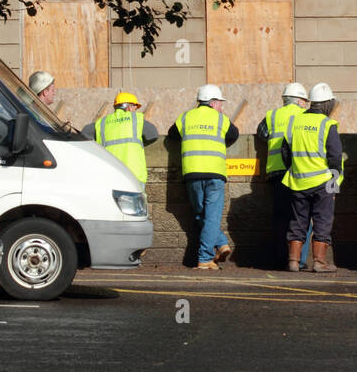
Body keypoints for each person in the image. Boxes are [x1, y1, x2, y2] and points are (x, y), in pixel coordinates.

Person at [169, 84, 239, 270]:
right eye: (220, 103)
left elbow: (172, 135)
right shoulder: (221, 119)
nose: (221, 107)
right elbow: (234, 135)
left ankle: (221, 243)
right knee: (212, 217)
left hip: (192, 173)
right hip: (215, 173)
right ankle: (205, 258)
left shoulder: (186, 117)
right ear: (213, 103)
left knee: (201, 215)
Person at [282, 83, 343, 274]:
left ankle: (293, 261)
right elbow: (335, 158)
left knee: (298, 222)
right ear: (327, 104)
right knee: (322, 222)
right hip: (323, 183)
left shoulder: (294, 122)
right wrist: (334, 186)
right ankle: (319, 262)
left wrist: (296, 170)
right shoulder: (327, 124)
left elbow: (285, 153)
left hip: (298, 181)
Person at [256, 82, 309, 269]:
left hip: (276, 172)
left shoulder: (272, 115)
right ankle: (298, 260)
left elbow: (261, 134)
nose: (306, 104)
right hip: (298, 171)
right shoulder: (305, 115)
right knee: (301, 216)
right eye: (305, 101)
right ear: (299, 101)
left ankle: (281, 258)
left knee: (280, 218)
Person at [87, 92, 159, 184]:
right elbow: (153, 134)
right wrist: (136, 142)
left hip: (109, 175)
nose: (135, 111)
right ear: (129, 107)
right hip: (133, 175)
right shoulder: (136, 119)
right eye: (135, 108)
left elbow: (85, 133)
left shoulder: (102, 122)